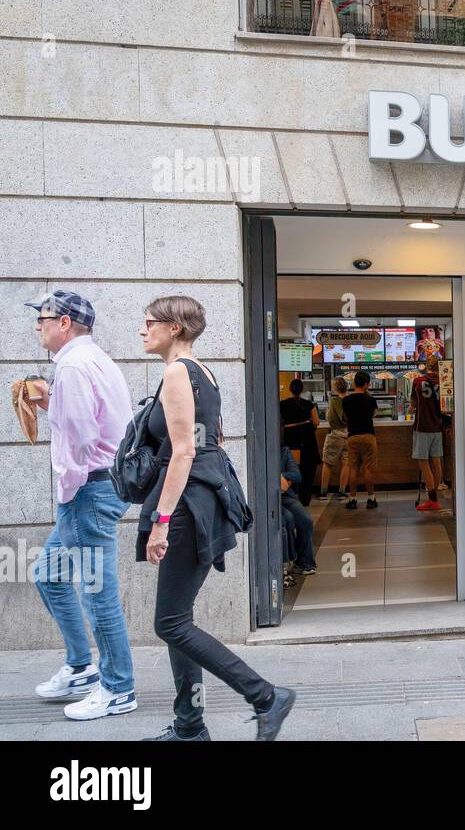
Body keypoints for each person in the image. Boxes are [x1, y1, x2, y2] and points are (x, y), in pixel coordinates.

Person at [137, 295, 295, 741]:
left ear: (175, 328)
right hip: (202, 501)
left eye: (149, 322)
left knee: (170, 623)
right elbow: (210, 440)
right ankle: (190, 727)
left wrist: (162, 520)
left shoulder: (176, 373)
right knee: (177, 618)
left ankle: (266, 696)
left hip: (187, 507)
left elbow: (184, 451)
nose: (142, 329)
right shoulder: (202, 373)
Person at [25, 290, 137, 721]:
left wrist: (67, 493)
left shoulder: (71, 365)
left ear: (65, 323)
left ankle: (118, 687)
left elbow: (81, 440)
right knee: (48, 575)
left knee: (97, 595)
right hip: (96, 487)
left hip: (86, 491)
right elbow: (89, 420)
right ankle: (79, 667)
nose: (39, 325)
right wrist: (49, 402)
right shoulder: (92, 359)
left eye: (44, 318)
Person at [411, 356, 448, 513]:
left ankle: (432, 498)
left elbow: (413, 403)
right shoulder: (444, 382)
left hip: (423, 426)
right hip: (438, 426)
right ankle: (437, 490)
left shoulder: (418, 381)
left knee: (423, 461)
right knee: (436, 460)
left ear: (427, 366)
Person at [280, 378, 320, 507]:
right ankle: (305, 497)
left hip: (291, 441)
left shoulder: (282, 404)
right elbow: (316, 422)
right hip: (308, 441)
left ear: (290, 390)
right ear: (302, 390)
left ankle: (292, 496)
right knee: (307, 470)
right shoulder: (309, 404)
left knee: (292, 468)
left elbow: (278, 422)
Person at [279, 441, 317, 579]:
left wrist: (282, 477)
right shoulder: (263, 453)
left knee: (306, 521)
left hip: (286, 496)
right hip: (270, 498)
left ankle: (305, 563)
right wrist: (277, 478)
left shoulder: (284, 451)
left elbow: (297, 475)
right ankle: (291, 558)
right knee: (287, 518)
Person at [343, 370, 379, 510]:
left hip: (352, 436)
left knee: (353, 468)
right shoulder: (370, 400)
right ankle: (371, 499)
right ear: (366, 384)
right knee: (368, 468)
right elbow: (374, 414)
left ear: (354, 383)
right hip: (368, 436)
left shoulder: (346, 400)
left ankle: (352, 499)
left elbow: (345, 418)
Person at [318, 376, 350, 499]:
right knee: (346, 464)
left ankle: (323, 492)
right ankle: (342, 492)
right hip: (348, 436)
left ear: (335, 387)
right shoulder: (350, 400)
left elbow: (330, 418)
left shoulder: (334, 401)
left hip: (335, 436)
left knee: (327, 463)